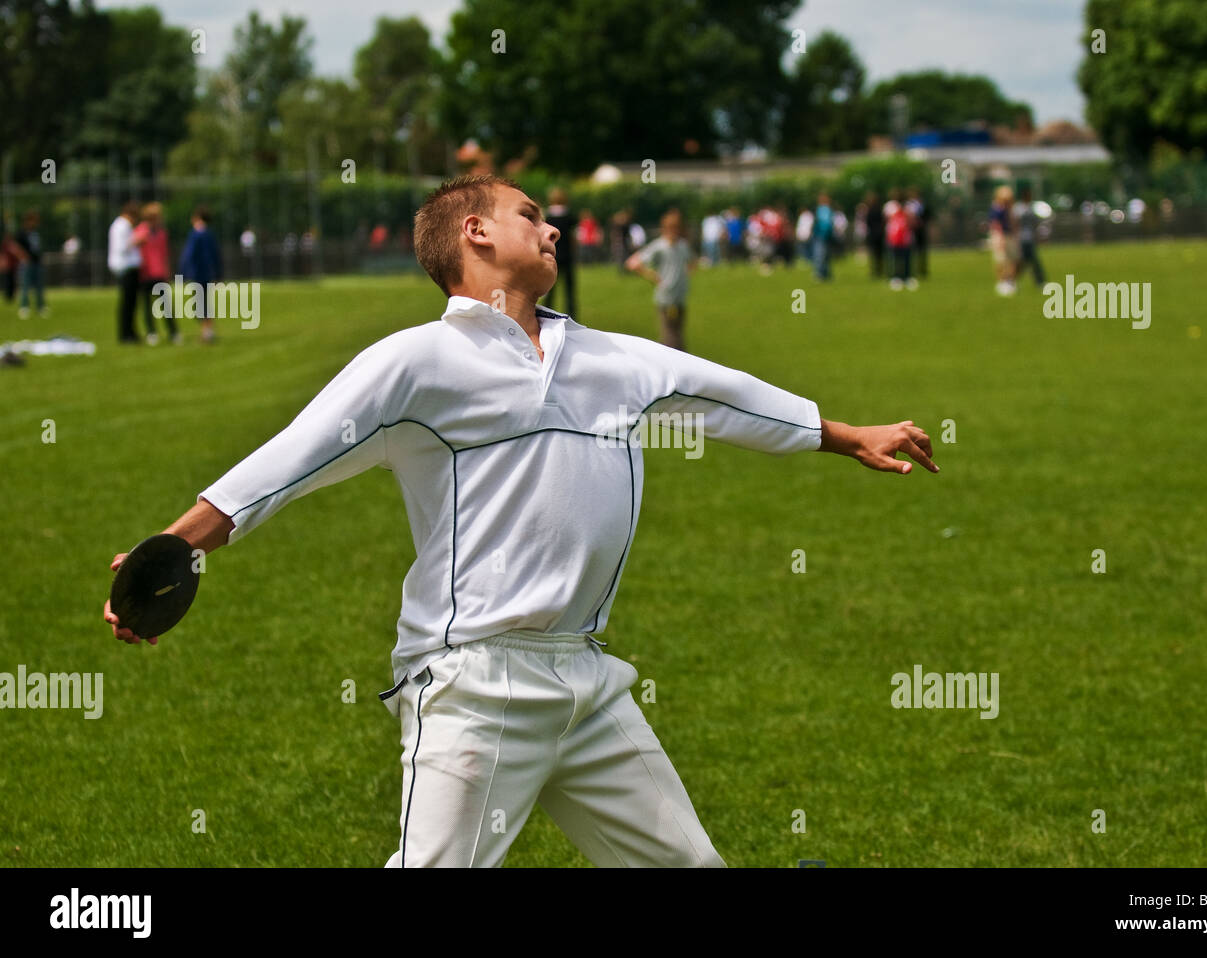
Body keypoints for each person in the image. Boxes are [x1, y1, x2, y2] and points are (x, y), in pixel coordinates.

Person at [104, 173, 939, 868]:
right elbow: (289, 459)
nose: (552, 231)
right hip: (476, 683)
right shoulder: (416, 361)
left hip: (588, 679)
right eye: (531, 216)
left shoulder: (610, 358)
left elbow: (725, 396)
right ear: (473, 232)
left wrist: (846, 435)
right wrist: (175, 547)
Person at [626, 208, 695, 351]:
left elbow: (692, 262)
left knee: (679, 334)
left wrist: (684, 276)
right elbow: (633, 263)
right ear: (665, 228)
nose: (674, 231)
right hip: (665, 297)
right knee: (670, 338)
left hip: (680, 296)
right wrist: (652, 276)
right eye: (671, 228)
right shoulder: (659, 246)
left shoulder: (682, 245)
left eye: (677, 228)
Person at [134, 202, 179, 345]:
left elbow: (165, 254)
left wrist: (167, 272)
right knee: (147, 305)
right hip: (145, 273)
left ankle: (173, 332)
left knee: (165, 305)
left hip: (159, 273)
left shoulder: (161, 233)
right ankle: (151, 332)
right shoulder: (140, 232)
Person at [179, 206, 222, 344]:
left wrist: (183, 273)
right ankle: (208, 331)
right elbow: (216, 256)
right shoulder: (210, 234)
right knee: (204, 303)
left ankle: (206, 333)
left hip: (197, 273)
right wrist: (217, 274)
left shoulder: (195, 234)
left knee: (199, 304)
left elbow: (189, 256)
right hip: (208, 273)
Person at [108, 201, 142, 342]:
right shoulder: (123, 226)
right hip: (126, 267)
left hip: (127, 267)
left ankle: (130, 332)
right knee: (128, 303)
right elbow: (122, 247)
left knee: (130, 303)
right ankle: (126, 334)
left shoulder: (120, 225)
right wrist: (137, 240)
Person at [540, 187, 577, 318]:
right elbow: (574, 237)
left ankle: (546, 311)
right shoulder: (570, 217)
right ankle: (572, 313)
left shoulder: (547, 217)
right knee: (569, 288)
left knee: (550, 287)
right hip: (567, 255)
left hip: (553, 255)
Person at [1012, 187, 1047, 289]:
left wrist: (1038, 237)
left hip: (1030, 238)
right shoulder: (1018, 208)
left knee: (1034, 262)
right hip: (1021, 238)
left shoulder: (1031, 207)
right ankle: (1011, 280)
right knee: (1021, 262)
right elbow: (1015, 223)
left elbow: (1035, 224)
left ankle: (1040, 282)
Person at [15, 210, 48, 319]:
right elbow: (16, 247)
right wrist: (23, 257)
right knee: (25, 286)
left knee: (39, 286)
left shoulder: (36, 233)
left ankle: (41, 307)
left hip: (37, 262)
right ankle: (24, 307)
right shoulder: (21, 233)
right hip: (26, 263)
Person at [883, 190, 917, 291]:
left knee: (906, 258)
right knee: (895, 258)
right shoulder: (889, 207)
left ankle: (907, 277)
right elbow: (887, 220)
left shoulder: (909, 207)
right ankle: (895, 277)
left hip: (905, 237)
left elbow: (912, 221)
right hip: (893, 237)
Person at [988, 185, 1016, 296]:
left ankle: (1009, 281)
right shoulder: (996, 208)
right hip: (999, 235)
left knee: (1012, 259)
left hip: (1008, 234)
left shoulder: (1007, 208)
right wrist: (1000, 238)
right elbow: (995, 224)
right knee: (1001, 260)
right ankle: (1001, 282)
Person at [906, 188, 930, 278]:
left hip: (921, 230)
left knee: (922, 250)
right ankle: (914, 269)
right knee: (913, 250)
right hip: (913, 231)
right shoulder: (909, 205)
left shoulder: (922, 204)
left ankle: (923, 269)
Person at [811, 192, 834, 281]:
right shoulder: (827, 210)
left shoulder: (823, 210)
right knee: (825, 256)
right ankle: (826, 274)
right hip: (825, 235)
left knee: (820, 255)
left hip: (821, 235)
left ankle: (820, 274)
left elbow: (826, 224)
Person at [864, 192, 885, 279]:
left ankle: (876, 271)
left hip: (874, 234)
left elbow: (868, 223)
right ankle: (878, 270)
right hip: (879, 234)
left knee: (875, 254)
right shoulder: (879, 209)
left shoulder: (870, 210)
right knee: (878, 254)